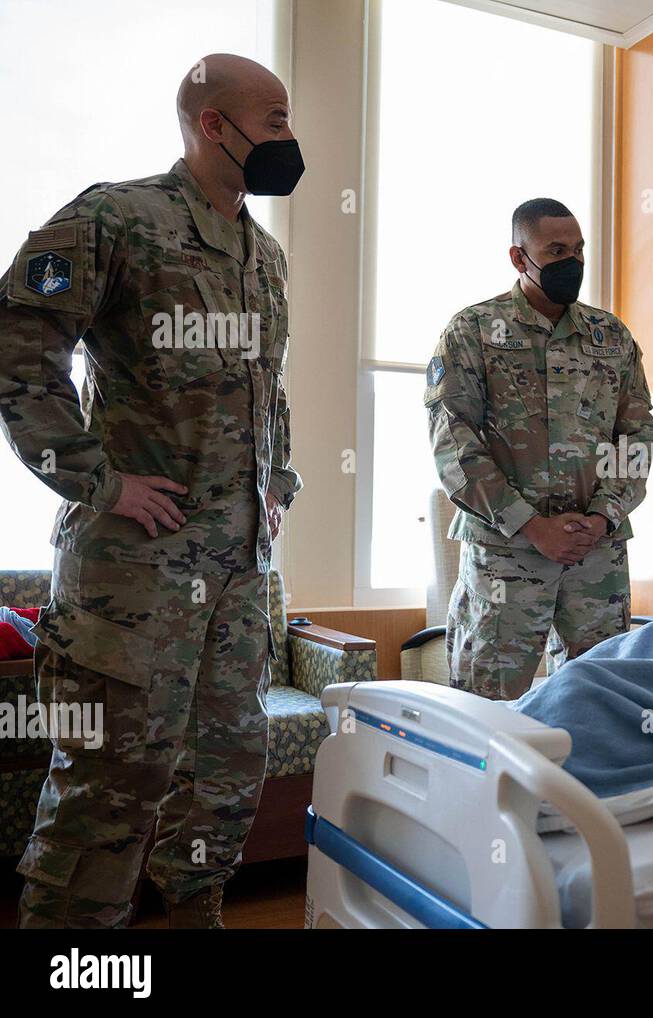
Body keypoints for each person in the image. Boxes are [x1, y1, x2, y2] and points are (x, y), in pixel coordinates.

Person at [0, 53, 304, 928]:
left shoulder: (265, 255)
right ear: (216, 126)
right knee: (113, 783)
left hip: (240, 572)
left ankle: (192, 910)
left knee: (225, 768)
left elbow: (267, 390)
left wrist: (278, 482)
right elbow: (19, 346)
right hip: (135, 573)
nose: (290, 137)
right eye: (276, 119)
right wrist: (97, 480)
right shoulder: (116, 219)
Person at [425, 198, 653, 700]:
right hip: (506, 556)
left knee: (601, 702)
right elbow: (454, 443)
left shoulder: (612, 337)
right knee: (485, 709)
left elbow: (635, 437)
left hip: (595, 555)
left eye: (578, 250)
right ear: (518, 257)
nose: (571, 262)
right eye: (555, 251)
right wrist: (531, 525)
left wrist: (602, 517)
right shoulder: (473, 333)